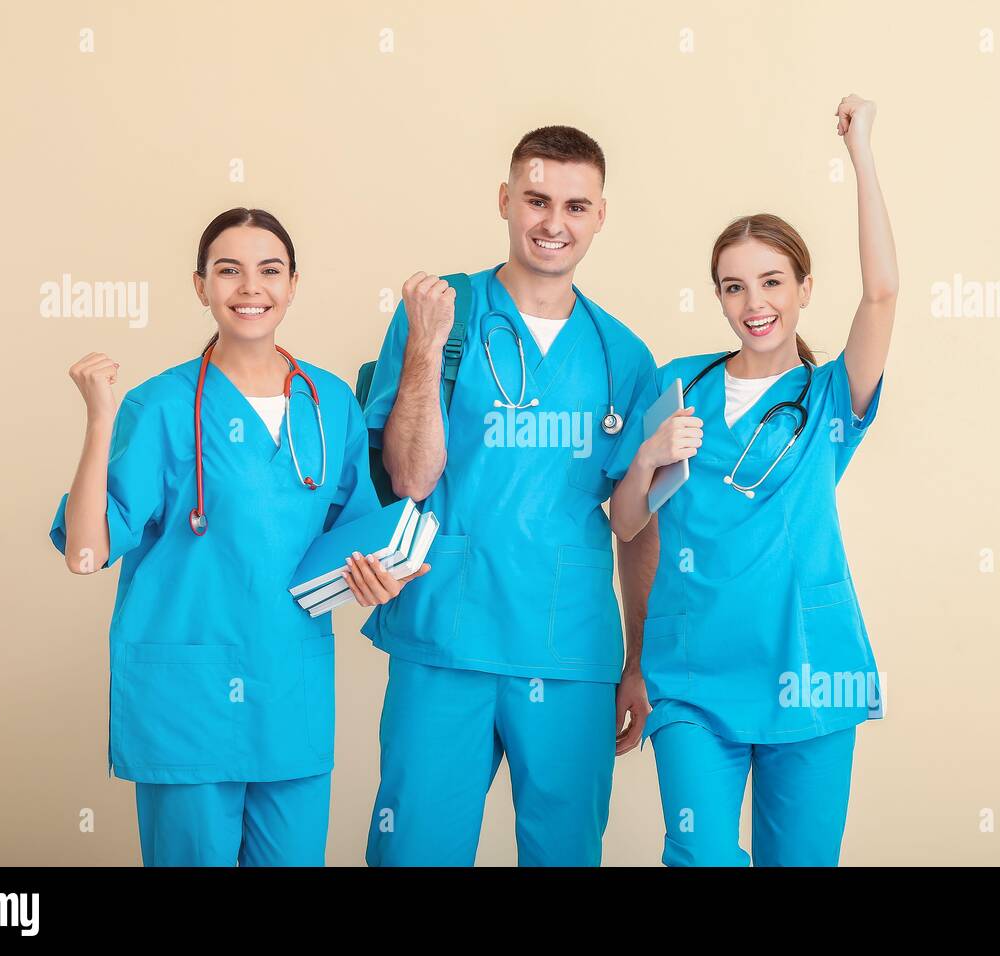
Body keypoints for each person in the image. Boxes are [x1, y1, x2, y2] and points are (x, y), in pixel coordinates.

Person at [49, 207, 426, 866]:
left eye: (269, 270)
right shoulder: (160, 406)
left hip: (290, 697)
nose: (250, 287)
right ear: (201, 286)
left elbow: (355, 543)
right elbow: (88, 552)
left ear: (293, 284)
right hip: (188, 700)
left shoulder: (330, 401)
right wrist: (101, 419)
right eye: (229, 271)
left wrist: (384, 574)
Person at [607, 95, 898, 866]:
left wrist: (860, 152)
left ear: (804, 288)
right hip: (694, 675)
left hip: (810, 668)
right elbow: (628, 523)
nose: (754, 304)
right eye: (734, 287)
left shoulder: (831, 398)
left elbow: (882, 294)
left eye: (772, 283)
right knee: (699, 857)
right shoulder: (678, 385)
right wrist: (647, 457)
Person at [361, 126, 659, 866]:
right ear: (504, 201)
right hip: (444, 637)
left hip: (568, 650)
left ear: (599, 216)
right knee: (413, 853)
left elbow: (638, 522)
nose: (553, 222)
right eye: (535, 199)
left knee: (564, 855)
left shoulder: (622, 354)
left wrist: (638, 661)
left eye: (575, 205)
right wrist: (426, 345)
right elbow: (410, 479)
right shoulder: (440, 315)